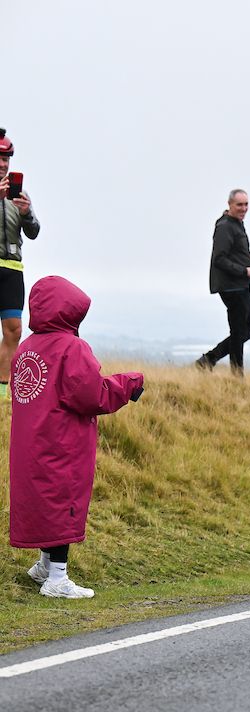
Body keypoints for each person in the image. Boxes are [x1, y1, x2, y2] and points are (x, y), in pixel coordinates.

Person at [10, 276, 143, 598]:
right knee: (62, 502)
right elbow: (92, 396)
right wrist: (129, 383)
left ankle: (44, 566)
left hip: (31, 443)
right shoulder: (72, 348)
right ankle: (57, 579)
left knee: (43, 502)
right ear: (69, 311)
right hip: (62, 443)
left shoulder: (25, 348)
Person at [197, 189, 250, 376]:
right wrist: (245, 270)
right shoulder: (225, 226)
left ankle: (208, 361)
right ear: (230, 204)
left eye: (246, 204)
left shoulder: (237, 224)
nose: (244, 208)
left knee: (244, 331)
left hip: (240, 284)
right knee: (240, 331)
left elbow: (232, 253)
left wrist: (249, 258)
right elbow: (220, 259)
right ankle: (233, 372)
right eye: (239, 205)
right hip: (231, 286)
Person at [0, 127, 41, 400]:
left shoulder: (19, 193)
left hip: (12, 269)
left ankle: (2, 393)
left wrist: (26, 214)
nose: (3, 164)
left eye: (7, 159)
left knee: (14, 330)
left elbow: (35, 231)